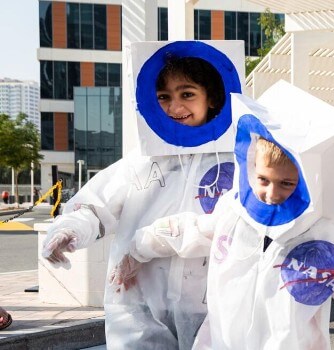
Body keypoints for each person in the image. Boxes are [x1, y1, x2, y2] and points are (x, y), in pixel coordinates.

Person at [120, 90, 334, 349]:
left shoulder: (321, 235)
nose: (272, 194)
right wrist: (137, 248)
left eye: (286, 183)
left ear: (307, 182)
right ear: (251, 169)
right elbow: (188, 230)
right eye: (263, 180)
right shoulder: (233, 214)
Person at [41, 50, 234, 349]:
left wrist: (149, 243)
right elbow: (95, 204)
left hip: (212, 308)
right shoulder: (141, 162)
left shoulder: (235, 163)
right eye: (163, 96)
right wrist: (70, 230)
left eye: (187, 93)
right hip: (137, 303)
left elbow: (234, 225)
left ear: (212, 97)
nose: (175, 106)